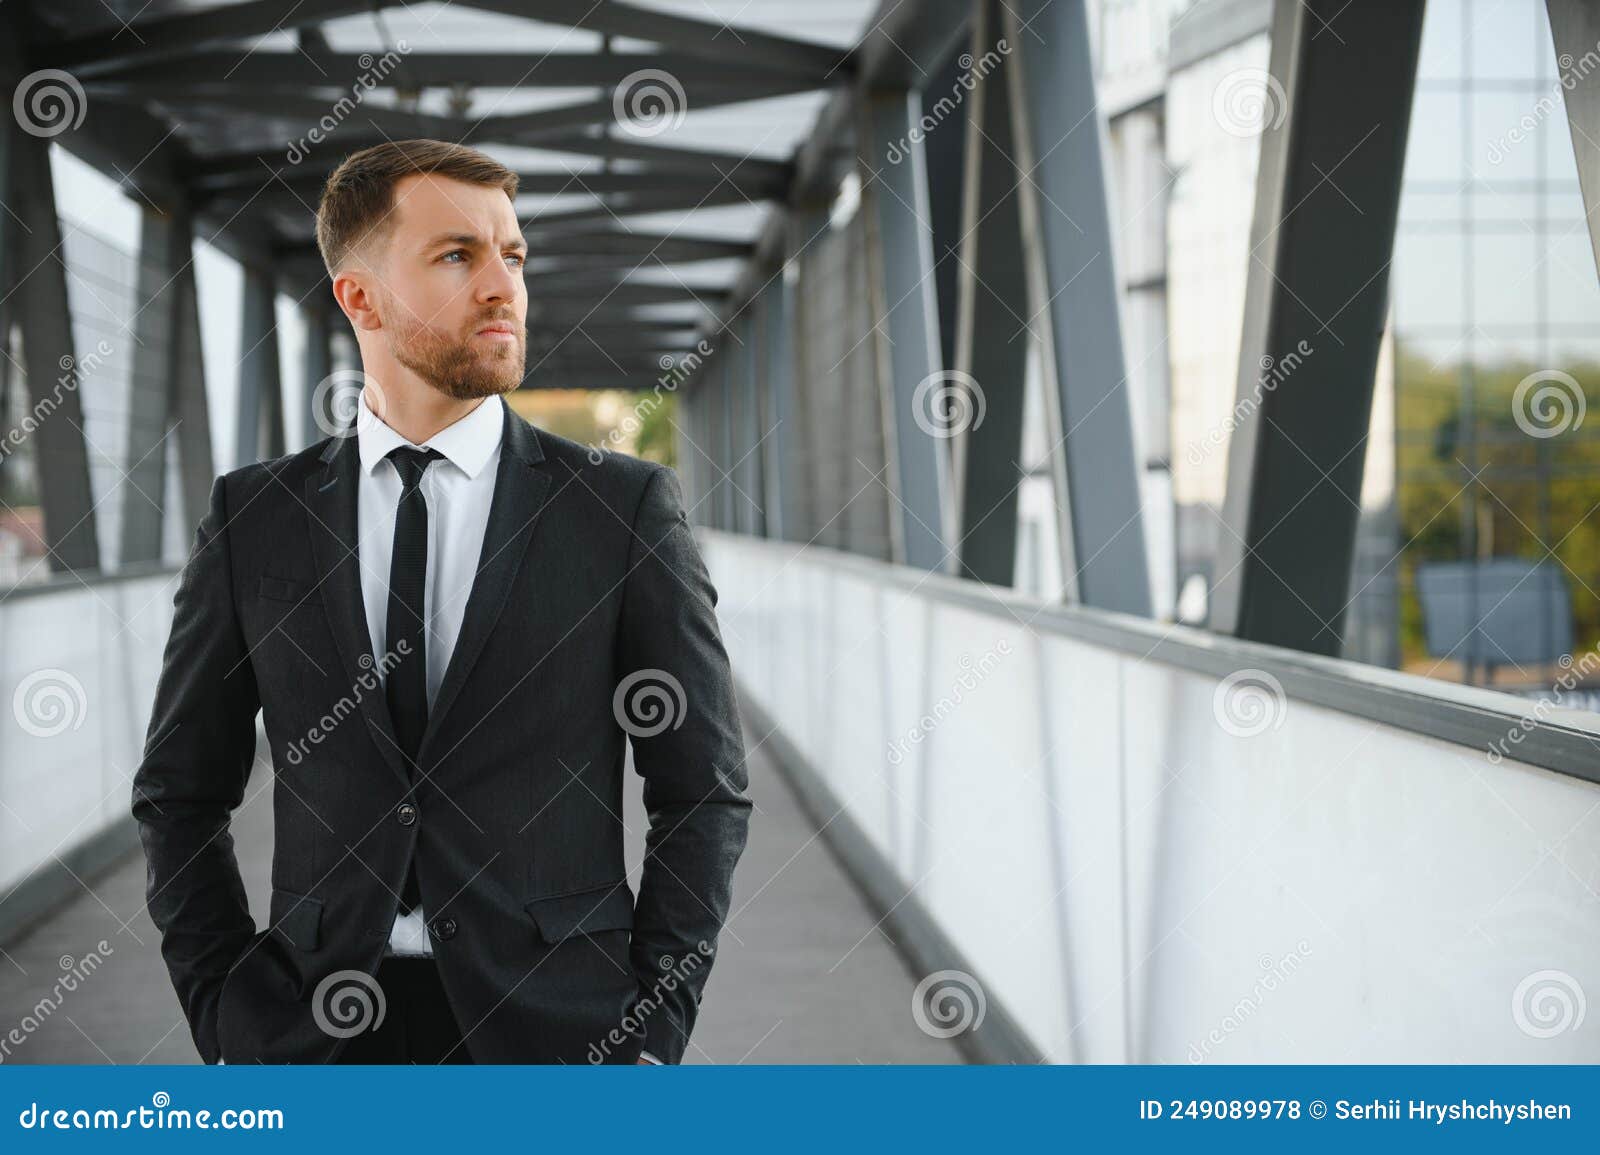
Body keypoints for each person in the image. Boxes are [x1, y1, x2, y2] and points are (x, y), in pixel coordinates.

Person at [131, 139, 750, 1065]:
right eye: (458, 255)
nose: (503, 284)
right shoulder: (254, 517)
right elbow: (180, 792)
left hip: (563, 1035)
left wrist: (652, 1031)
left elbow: (703, 791)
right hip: (313, 1035)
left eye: (514, 254)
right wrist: (225, 1012)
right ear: (360, 298)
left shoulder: (619, 512)